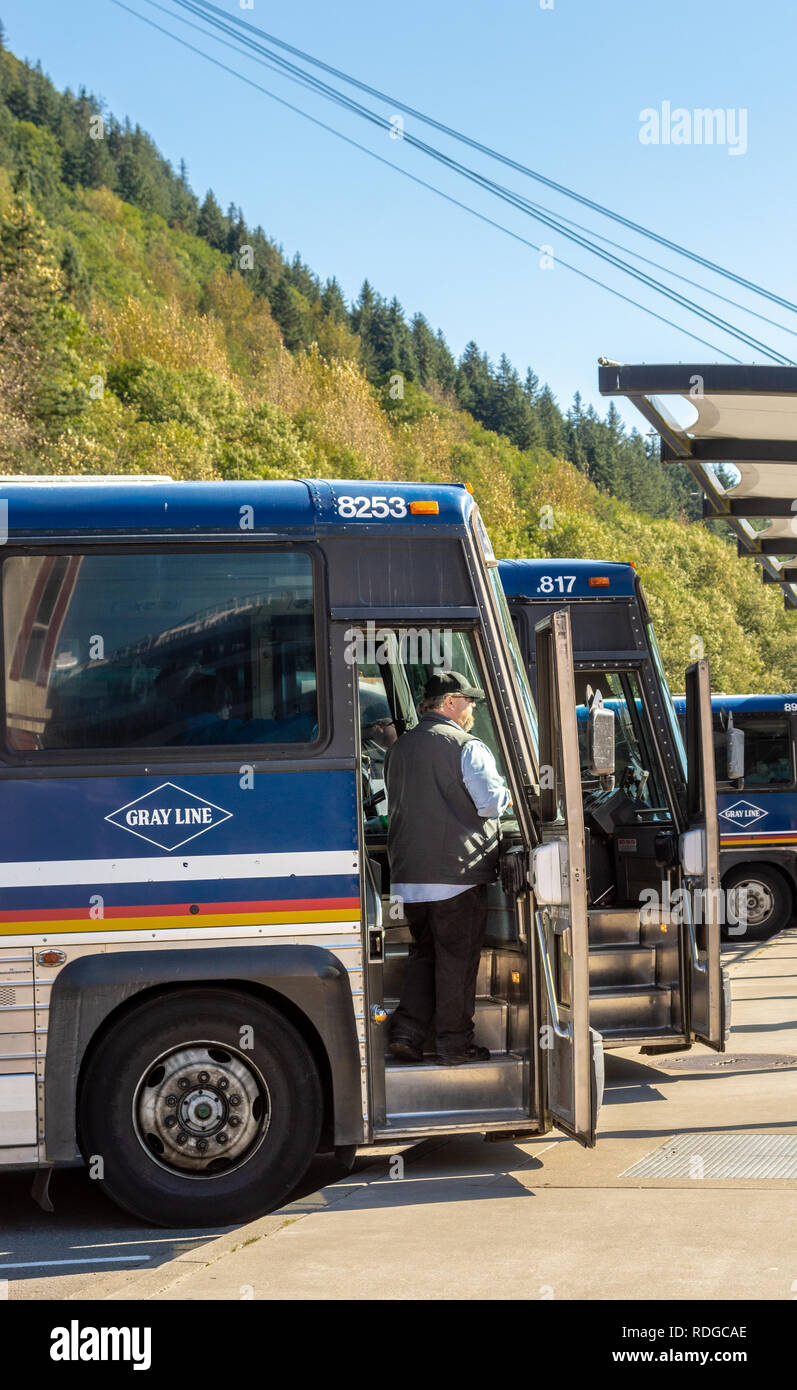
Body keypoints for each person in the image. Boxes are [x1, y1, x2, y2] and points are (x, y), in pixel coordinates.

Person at [385, 670, 511, 1066]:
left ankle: (406, 1033)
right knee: (457, 961)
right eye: (468, 700)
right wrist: (509, 793)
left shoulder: (400, 748)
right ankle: (454, 1044)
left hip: (408, 877)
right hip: (456, 875)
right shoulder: (467, 747)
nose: (472, 707)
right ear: (449, 703)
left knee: (425, 955)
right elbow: (490, 804)